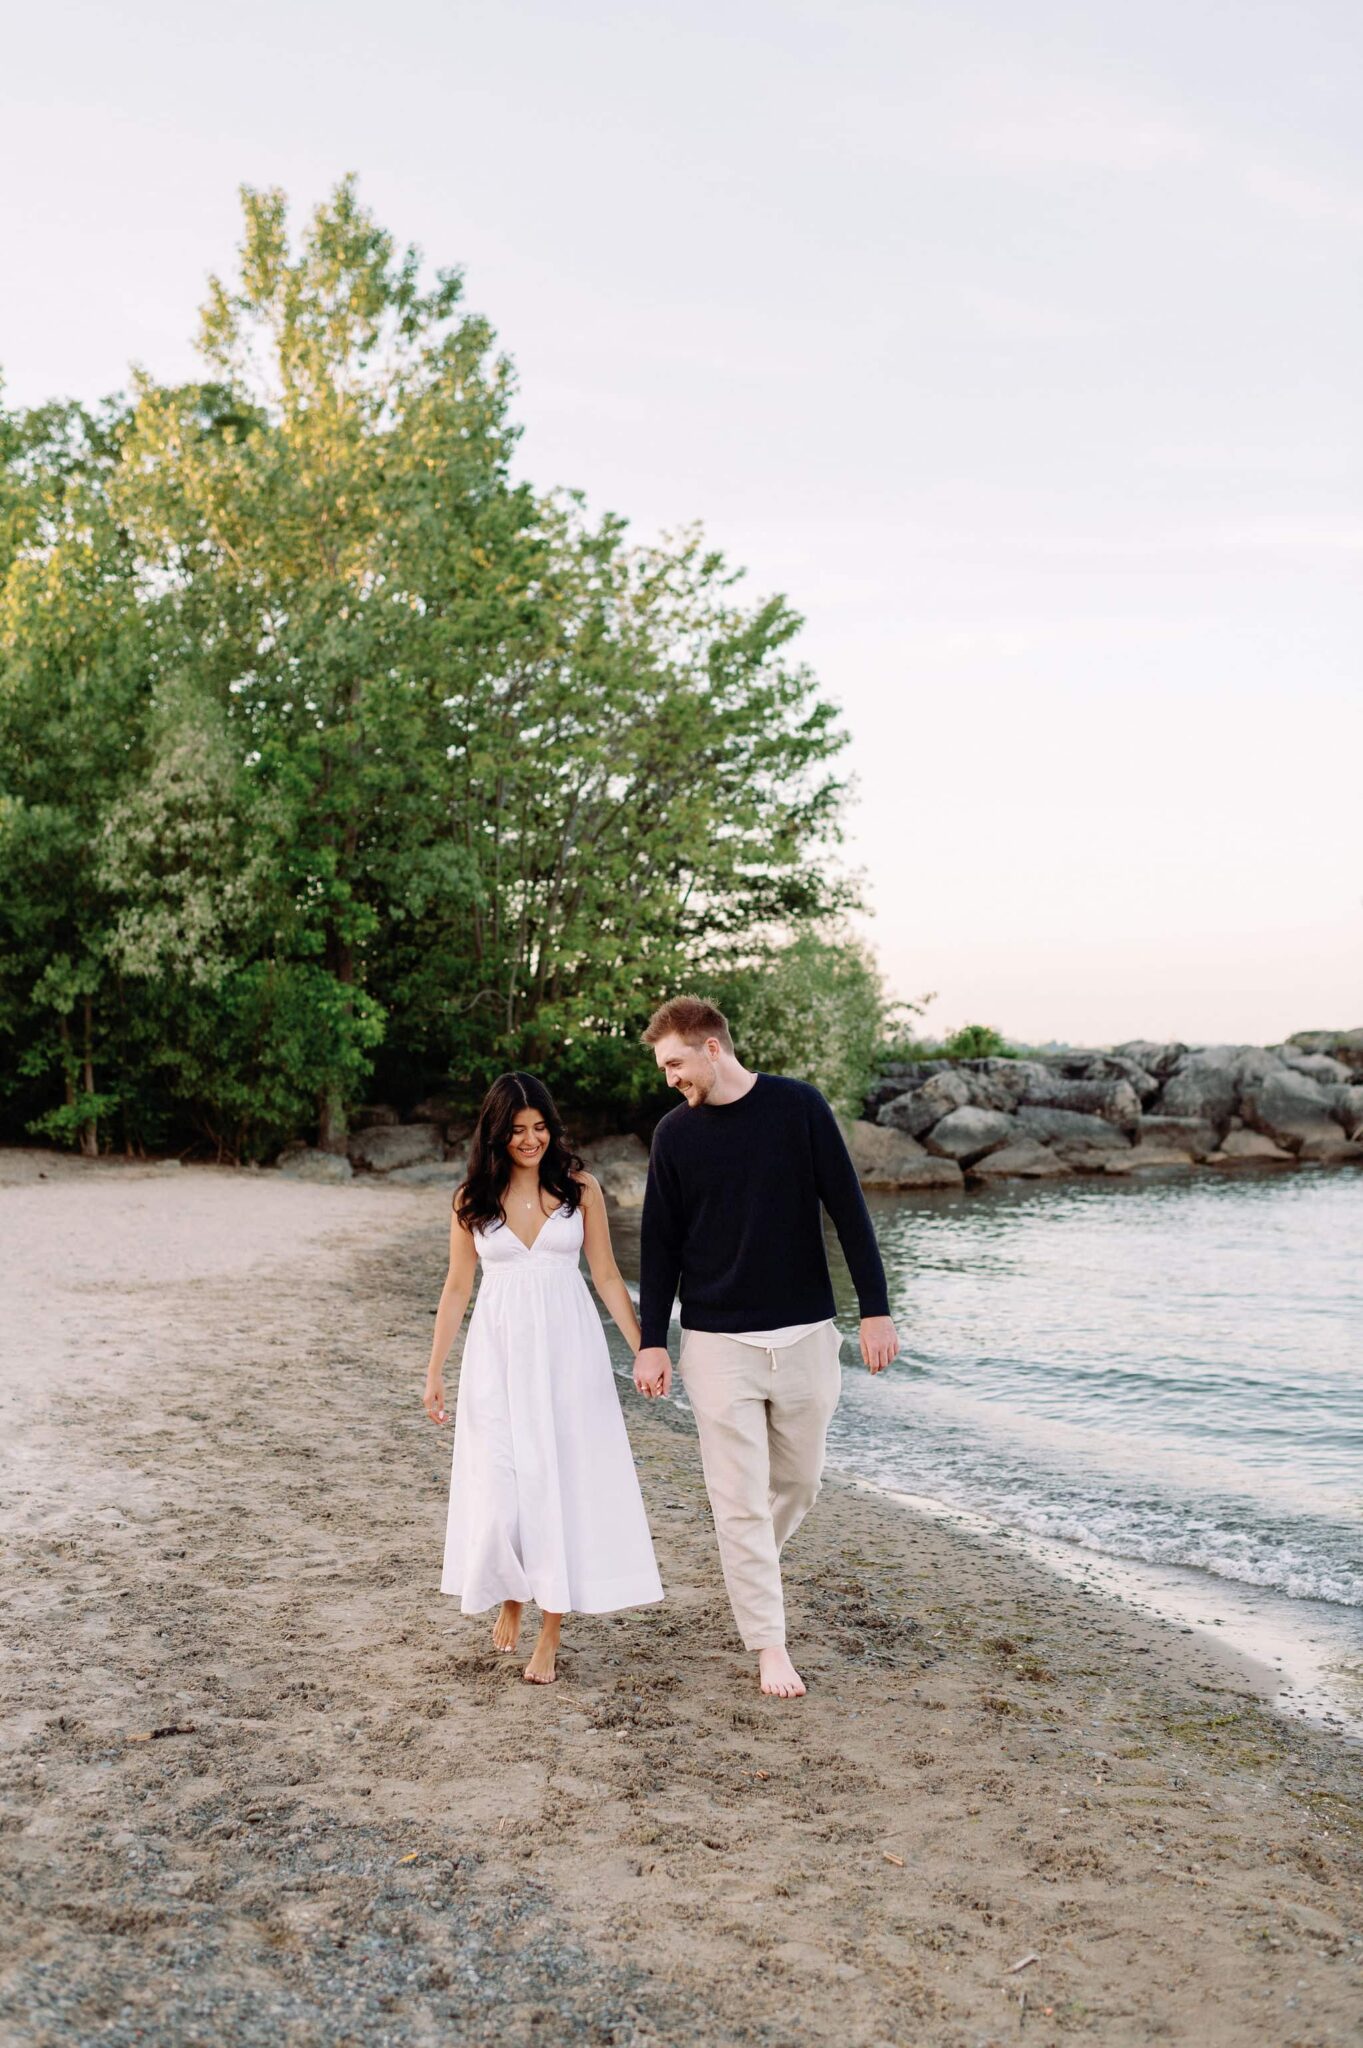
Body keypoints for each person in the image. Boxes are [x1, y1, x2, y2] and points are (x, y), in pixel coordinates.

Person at [633, 996, 898, 1699]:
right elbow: (657, 1244)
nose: (670, 1079)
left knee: (801, 1481)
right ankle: (768, 1644)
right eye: (664, 1068)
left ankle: (749, 1571)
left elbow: (848, 1209)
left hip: (807, 1333)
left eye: (674, 1064)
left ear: (711, 1048)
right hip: (716, 1342)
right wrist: (649, 1343)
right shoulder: (673, 1135)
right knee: (739, 1502)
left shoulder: (798, 1108)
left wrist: (875, 1311)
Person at [424, 1072, 662, 1684]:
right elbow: (456, 1289)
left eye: (540, 1128)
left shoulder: (580, 1189)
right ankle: (511, 1590)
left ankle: (550, 1630)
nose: (530, 1140)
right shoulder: (470, 1200)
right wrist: (434, 1371)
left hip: (568, 1354)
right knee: (501, 1484)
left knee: (559, 1481)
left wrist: (645, 1347)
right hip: (496, 1356)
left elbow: (607, 1275)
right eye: (517, 1130)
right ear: (496, 1133)